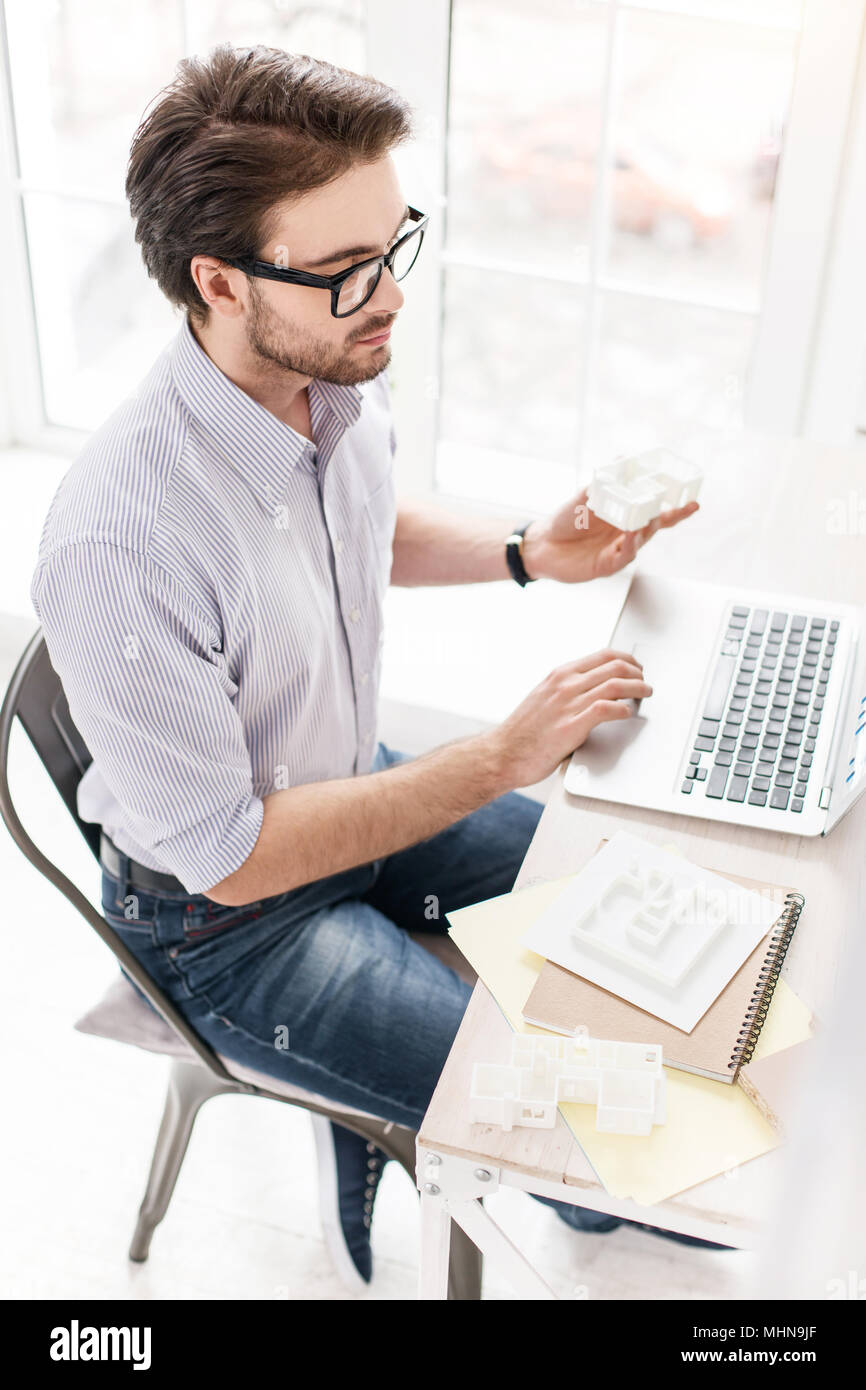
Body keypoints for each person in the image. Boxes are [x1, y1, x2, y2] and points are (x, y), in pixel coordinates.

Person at [31, 44, 708, 1288]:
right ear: (218, 282)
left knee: (647, 914)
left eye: (394, 246)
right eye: (346, 272)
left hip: (347, 788)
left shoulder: (322, 379)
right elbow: (230, 852)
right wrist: (498, 757)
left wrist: (525, 552)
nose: (390, 297)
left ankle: (604, 1180)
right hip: (224, 923)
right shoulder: (122, 538)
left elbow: (358, 527)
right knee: (576, 1102)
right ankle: (595, 1197)